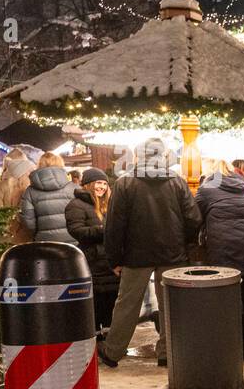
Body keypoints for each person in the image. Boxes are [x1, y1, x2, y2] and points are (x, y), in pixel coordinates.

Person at [98, 139, 202, 368]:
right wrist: (183, 243)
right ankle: (168, 351)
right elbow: (194, 218)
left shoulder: (125, 182)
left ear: (139, 156)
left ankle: (113, 351)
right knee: (170, 304)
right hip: (172, 253)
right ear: (163, 156)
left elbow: (114, 225)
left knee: (127, 304)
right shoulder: (177, 181)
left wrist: (115, 258)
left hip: (135, 255)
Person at [196, 160, 244, 360]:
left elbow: (195, 217)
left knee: (234, 298)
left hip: (224, 249)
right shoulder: (241, 185)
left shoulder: (206, 189)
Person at [64, 167, 118, 336]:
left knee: (112, 300)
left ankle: (110, 338)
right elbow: (76, 230)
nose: (101, 187)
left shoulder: (110, 203)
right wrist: (103, 230)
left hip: (110, 260)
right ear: (88, 185)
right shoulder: (76, 204)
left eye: (104, 183)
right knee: (95, 301)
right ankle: (94, 338)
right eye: (98, 183)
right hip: (92, 259)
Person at [19, 152, 77, 244]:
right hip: (74, 242)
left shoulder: (29, 192)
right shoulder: (75, 188)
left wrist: (38, 234)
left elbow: (29, 223)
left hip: (44, 243)